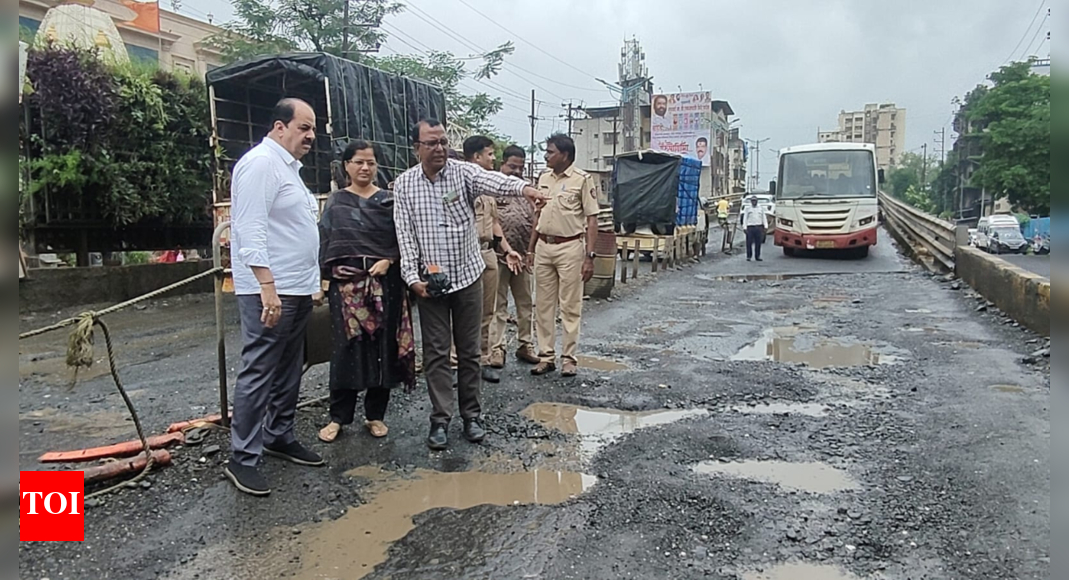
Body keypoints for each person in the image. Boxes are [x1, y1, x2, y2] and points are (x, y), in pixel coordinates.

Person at [393, 119, 546, 451]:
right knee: (435, 353)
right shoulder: (404, 185)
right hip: (431, 284)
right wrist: (412, 278)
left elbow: (492, 179)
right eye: (431, 143)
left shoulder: (463, 173)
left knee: (470, 350)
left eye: (443, 142)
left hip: (467, 275)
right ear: (416, 147)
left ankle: (471, 416)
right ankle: (440, 419)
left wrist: (526, 189)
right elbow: (405, 236)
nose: (439, 149)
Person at [225, 98, 324, 497]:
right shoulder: (260, 163)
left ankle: (278, 434)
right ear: (280, 126)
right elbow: (249, 229)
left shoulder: (287, 169)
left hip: (295, 287)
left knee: (288, 365)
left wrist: (312, 282)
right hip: (270, 289)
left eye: (313, 129)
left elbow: (295, 230)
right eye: (304, 128)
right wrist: (267, 285)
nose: (311, 136)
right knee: (260, 367)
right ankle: (242, 457)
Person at [317, 140, 416, 444]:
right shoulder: (336, 202)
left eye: (371, 162)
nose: (365, 168)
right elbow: (325, 242)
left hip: (384, 284)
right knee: (346, 349)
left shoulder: (389, 200)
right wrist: (321, 283)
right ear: (346, 165)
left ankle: (375, 415)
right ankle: (338, 417)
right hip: (345, 287)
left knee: (382, 348)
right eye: (359, 162)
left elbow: (406, 239)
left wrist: (389, 260)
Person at [528, 134, 600, 378]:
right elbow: (537, 216)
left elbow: (592, 220)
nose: (546, 156)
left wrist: (589, 256)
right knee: (543, 305)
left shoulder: (582, 180)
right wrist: (530, 248)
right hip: (543, 247)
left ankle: (569, 358)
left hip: (570, 248)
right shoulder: (543, 178)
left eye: (550, 152)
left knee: (570, 306)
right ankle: (546, 356)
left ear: (565, 155)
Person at [456, 136, 524, 384]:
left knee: (488, 311)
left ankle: (483, 360)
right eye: (489, 154)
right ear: (476, 158)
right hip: (464, 254)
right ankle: (456, 363)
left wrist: (507, 250)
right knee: (461, 311)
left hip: (488, 253)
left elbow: (494, 224)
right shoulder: (457, 187)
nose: (493, 159)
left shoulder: (488, 191)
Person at [490, 145, 540, 369]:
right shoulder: (492, 187)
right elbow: (491, 223)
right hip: (498, 256)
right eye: (512, 166)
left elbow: (535, 221)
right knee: (497, 305)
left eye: (520, 167)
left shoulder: (527, 190)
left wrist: (530, 252)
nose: (516, 171)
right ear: (502, 164)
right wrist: (505, 249)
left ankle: (525, 344)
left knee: (525, 303)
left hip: (522, 257)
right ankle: (497, 348)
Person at [741, 196, 767, 262]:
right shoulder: (748, 209)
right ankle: (749, 256)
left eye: (755, 200)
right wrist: (744, 227)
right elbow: (745, 218)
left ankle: (757, 256)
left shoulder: (761, 208)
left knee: (758, 243)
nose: (754, 202)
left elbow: (764, 217)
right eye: (752, 201)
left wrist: (765, 226)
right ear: (751, 201)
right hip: (750, 227)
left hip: (758, 227)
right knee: (749, 243)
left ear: (757, 201)